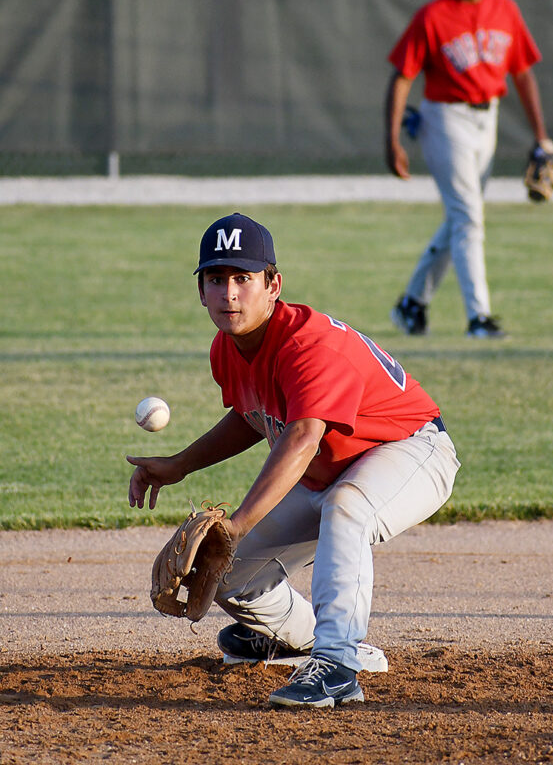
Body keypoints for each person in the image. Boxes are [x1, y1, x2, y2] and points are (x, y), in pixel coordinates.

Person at [127, 212, 460, 708]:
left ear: (273, 285)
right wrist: (180, 464)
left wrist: (237, 522)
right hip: (330, 469)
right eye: (216, 279)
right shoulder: (227, 347)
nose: (229, 293)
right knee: (229, 573)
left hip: (410, 450)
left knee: (346, 507)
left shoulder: (309, 345)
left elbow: (303, 436)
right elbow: (251, 416)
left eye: (243, 278)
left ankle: (338, 667)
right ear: (201, 291)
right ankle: (297, 640)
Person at [385, 0, 553, 338]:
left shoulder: (506, 11)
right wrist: (390, 139)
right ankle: (479, 318)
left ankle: (412, 304)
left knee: (463, 219)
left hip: (488, 119)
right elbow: (401, 77)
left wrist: (542, 137)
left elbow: (524, 74)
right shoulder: (433, 16)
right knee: (468, 217)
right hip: (445, 119)